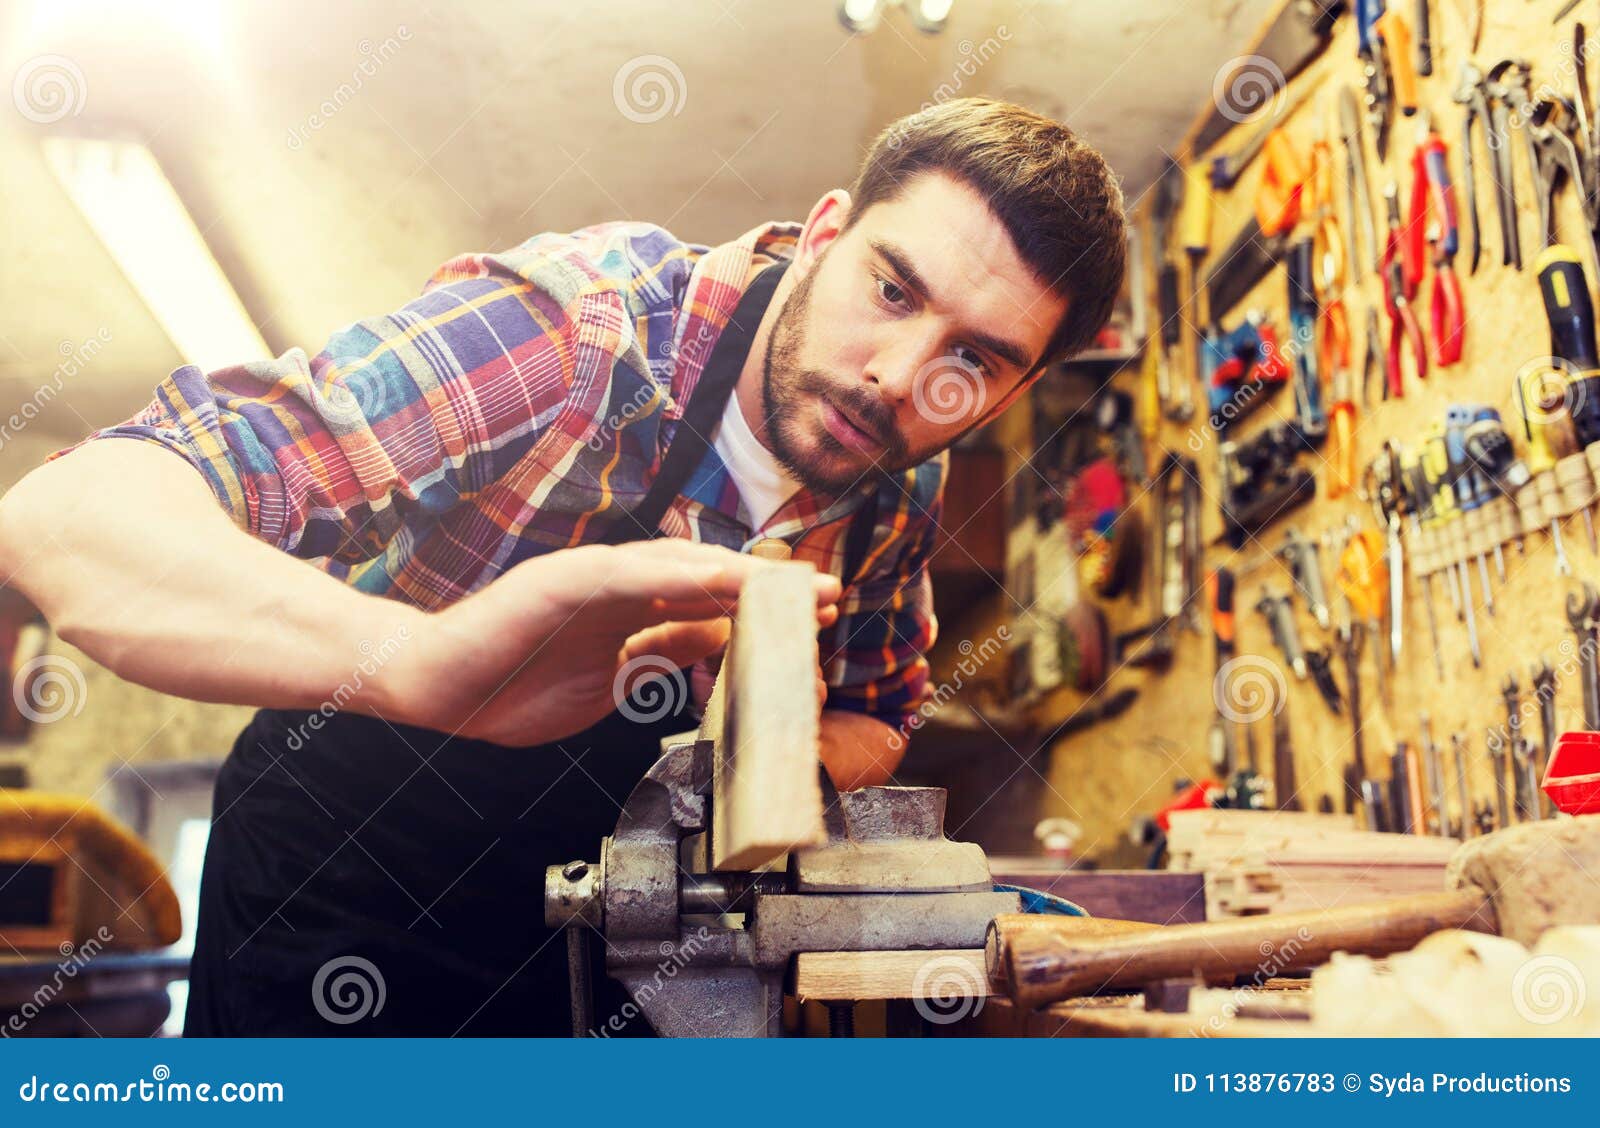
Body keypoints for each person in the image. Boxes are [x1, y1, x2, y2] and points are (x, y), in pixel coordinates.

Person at [0, 97, 1124, 1035]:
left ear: (1016, 390)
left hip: (597, 926)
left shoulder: (902, 476)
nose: (898, 375)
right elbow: (66, 517)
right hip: (336, 883)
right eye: (891, 289)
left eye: (973, 360)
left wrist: (752, 762)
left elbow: (880, 709)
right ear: (826, 229)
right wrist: (424, 662)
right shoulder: (574, 341)